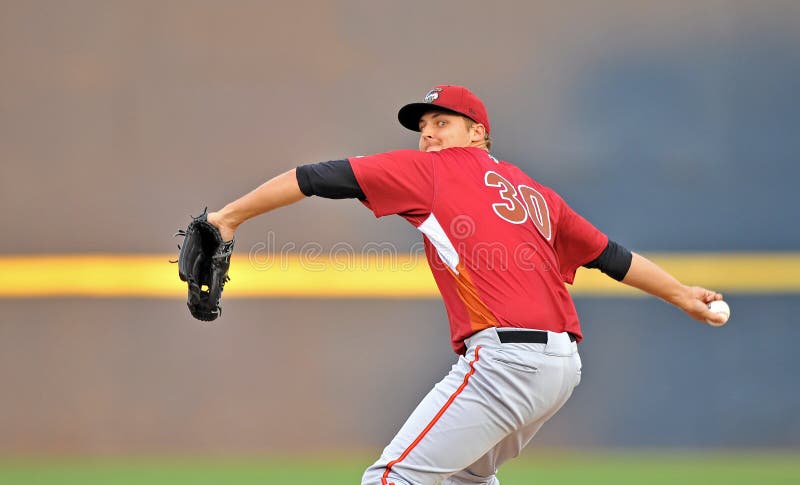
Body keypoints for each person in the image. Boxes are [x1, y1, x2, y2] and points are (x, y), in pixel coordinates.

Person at [205, 85, 727, 485]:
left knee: (390, 480)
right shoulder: (534, 193)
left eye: (442, 122)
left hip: (507, 362)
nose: (428, 135)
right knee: (464, 480)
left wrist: (227, 218)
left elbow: (315, 177)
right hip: (560, 367)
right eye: (423, 127)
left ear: (478, 133)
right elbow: (611, 256)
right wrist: (682, 295)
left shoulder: (431, 172)